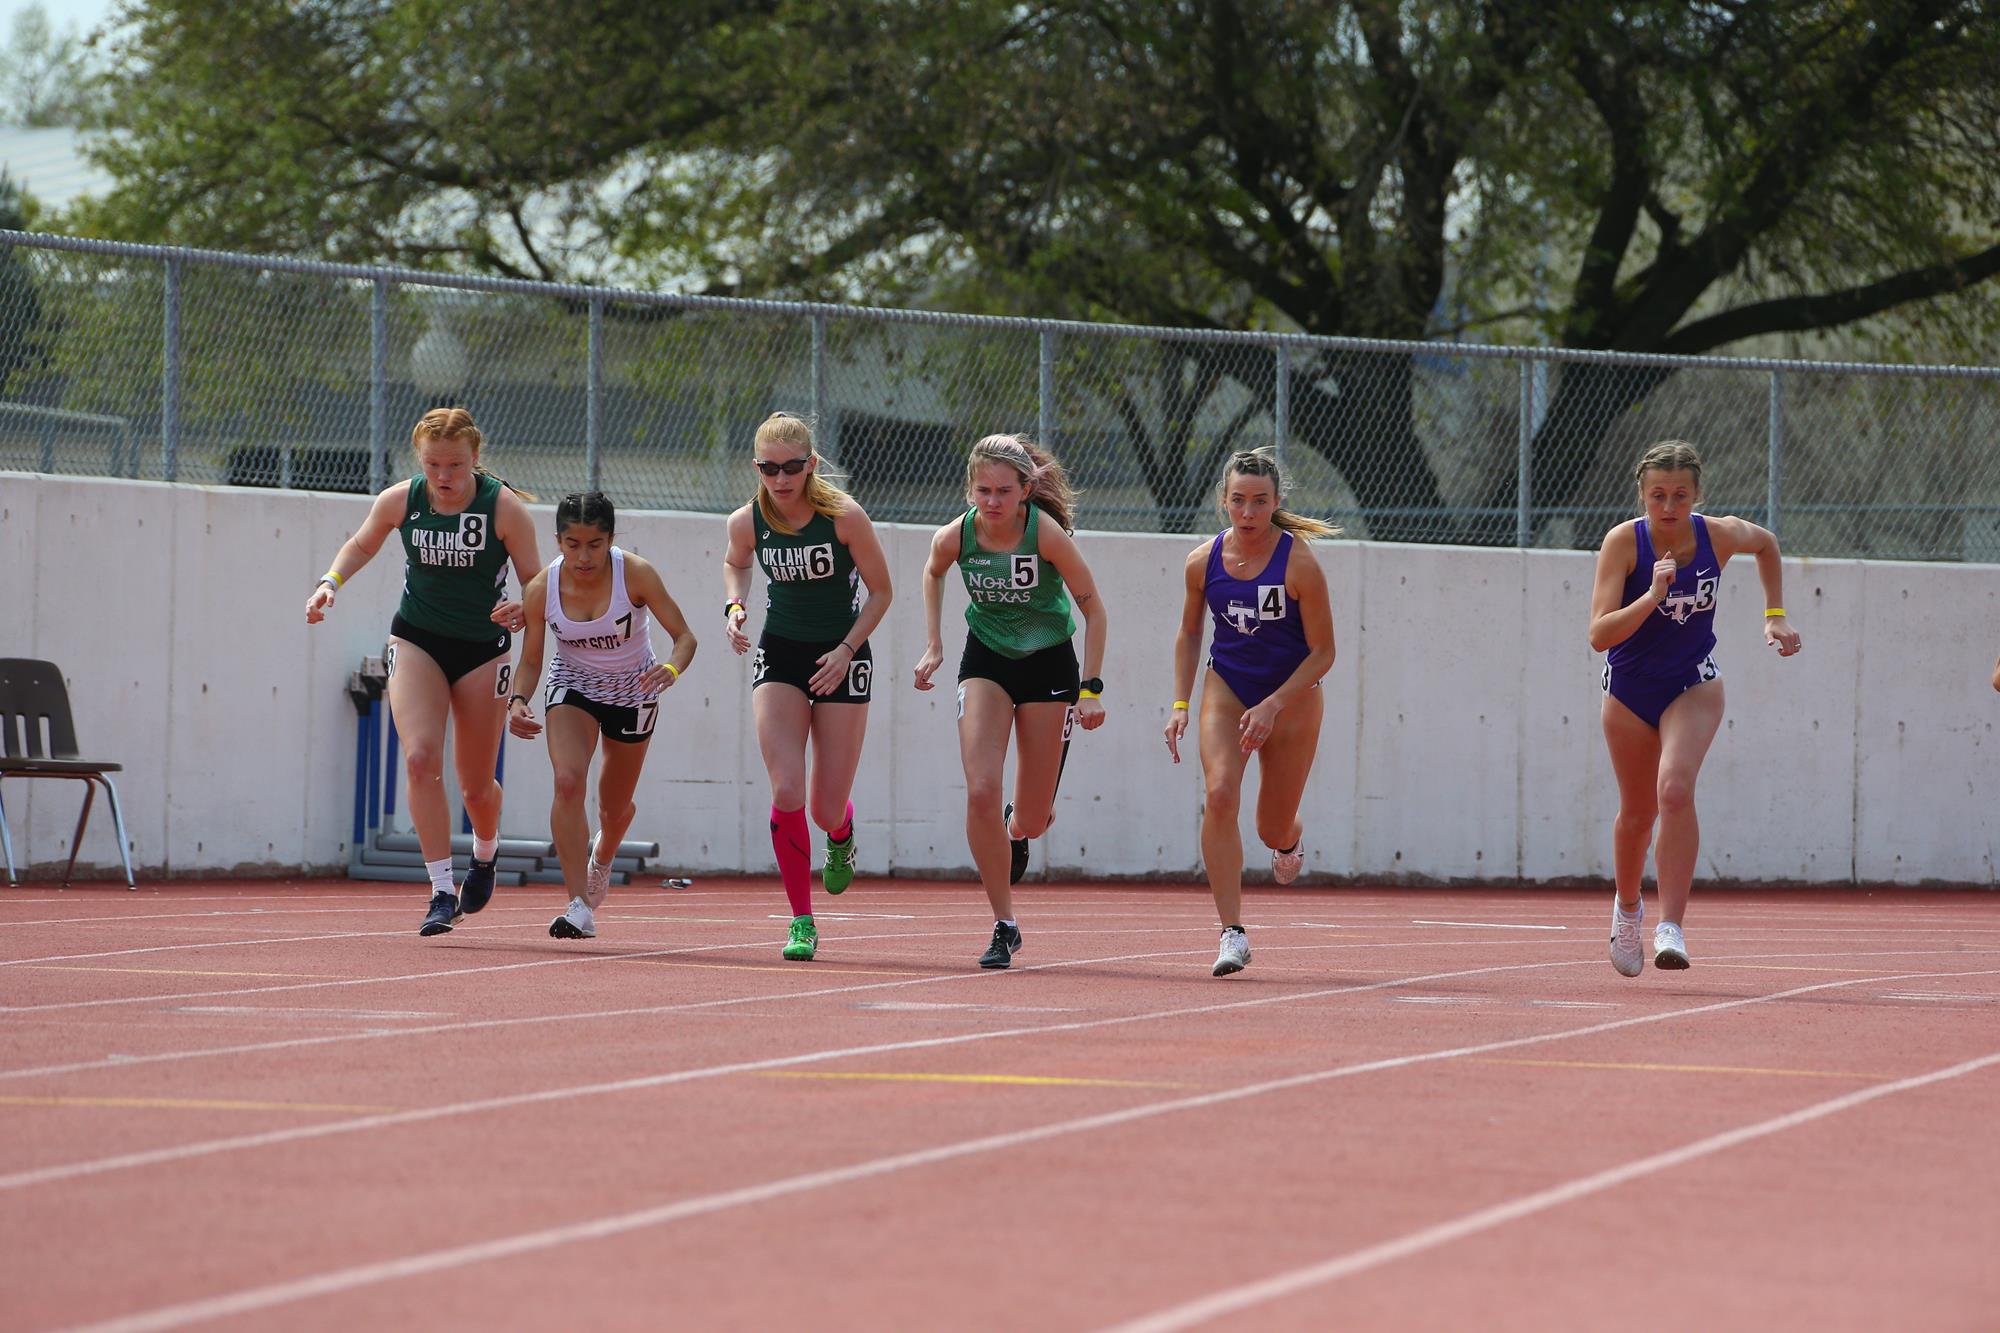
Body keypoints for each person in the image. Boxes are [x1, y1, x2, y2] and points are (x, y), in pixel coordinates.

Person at [305, 407, 540, 936]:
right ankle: (440, 889)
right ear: (421, 460)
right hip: (417, 639)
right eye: (433, 464)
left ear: (475, 460)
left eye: (455, 465)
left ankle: (485, 852)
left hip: (483, 649)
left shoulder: (502, 509)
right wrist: (330, 582)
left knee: (476, 786)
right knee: (419, 758)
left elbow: (535, 581)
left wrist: (526, 608)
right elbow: (363, 542)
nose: (443, 477)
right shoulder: (401, 500)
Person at [1589, 440, 1802, 976]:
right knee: (1638, 816)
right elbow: (1598, 635)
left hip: (1693, 684)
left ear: (1696, 495)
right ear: (1641, 495)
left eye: (1680, 495)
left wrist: (1774, 613)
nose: (1668, 506)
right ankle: (1628, 907)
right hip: (1630, 691)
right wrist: (1651, 597)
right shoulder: (1624, 543)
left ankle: (1671, 926)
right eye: (1657, 495)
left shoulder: (1719, 534)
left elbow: (1768, 544)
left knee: (1675, 790)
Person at [914, 433, 1107, 969]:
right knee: (979, 788)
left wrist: (1090, 688)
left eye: (1004, 491)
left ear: (1026, 490)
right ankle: (1004, 923)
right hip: (988, 661)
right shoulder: (957, 535)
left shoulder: (1045, 535)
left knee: (1035, 818)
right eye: (983, 490)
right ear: (970, 489)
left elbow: (1095, 611)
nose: (992, 501)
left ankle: (1015, 827)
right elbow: (932, 572)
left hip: (1048, 663)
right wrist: (934, 644)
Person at [722, 412, 893, 962]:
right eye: (769, 468)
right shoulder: (747, 520)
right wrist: (735, 605)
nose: (781, 478)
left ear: (811, 464)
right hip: (781, 652)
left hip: (842, 654)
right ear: (757, 468)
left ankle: (840, 833)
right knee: (787, 790)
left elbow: (882, 592)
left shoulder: (843, 516)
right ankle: (801, 919)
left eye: (792, 466)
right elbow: (736, 562)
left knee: (822, 807)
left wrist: (845, 652)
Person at [1163, 449, 1338, 977]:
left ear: (1276, 503)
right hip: (1230, 688)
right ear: (1224, 501)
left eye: (1260, 501)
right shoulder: (1202, 562)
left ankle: (1289, 839)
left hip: (1293, 697)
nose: (1248, 512)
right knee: (1219, 795)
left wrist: (1275, 703)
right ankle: (1232, 932)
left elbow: (1324, 652)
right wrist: (1179, 704)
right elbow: (1191, 632)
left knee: (1269, 826)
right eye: (1238, 500)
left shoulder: (1300, 563)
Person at [504, 493, 694, 940]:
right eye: (572, 544)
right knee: (568, 781)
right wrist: (516, 700)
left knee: (614, 807)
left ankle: (603, 855)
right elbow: (532, 659)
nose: (583, 556)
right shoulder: (541, 589)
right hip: (574, 686)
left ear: (611, 539)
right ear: (558, 541)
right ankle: (578, 906)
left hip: (635, 690)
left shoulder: (636, 574)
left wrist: (670, 668)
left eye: (594, 544)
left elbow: (685, 637)